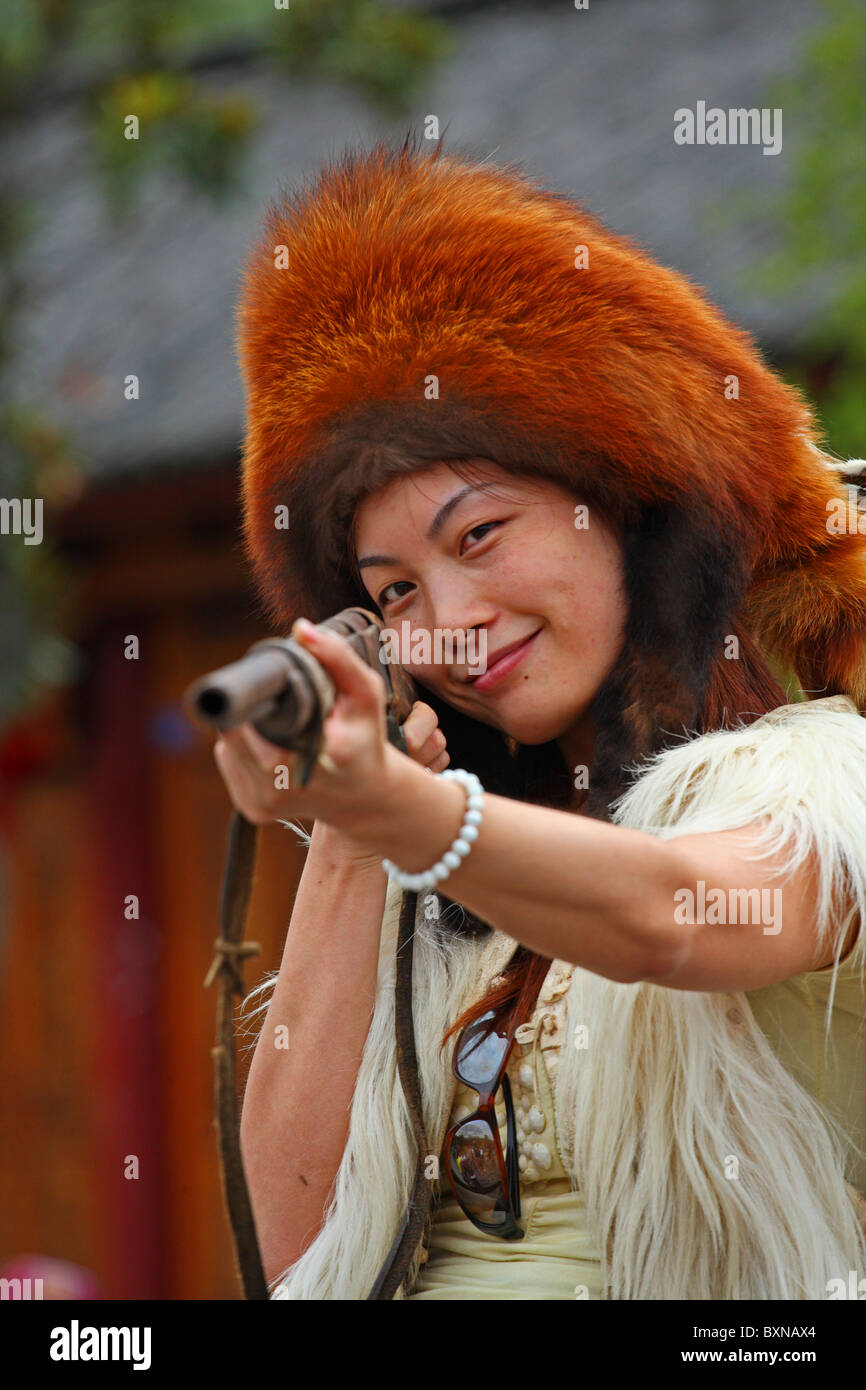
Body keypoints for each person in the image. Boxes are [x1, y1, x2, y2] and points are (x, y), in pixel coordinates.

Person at [216, 135, 866, 1300]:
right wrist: (354, 835)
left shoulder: (821, 774)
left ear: (620, 508)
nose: (447, 617)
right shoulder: (427, 882)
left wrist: (410, 813)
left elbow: (670, 918)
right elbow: (286, 1246)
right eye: (392, 590)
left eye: (478, 535)